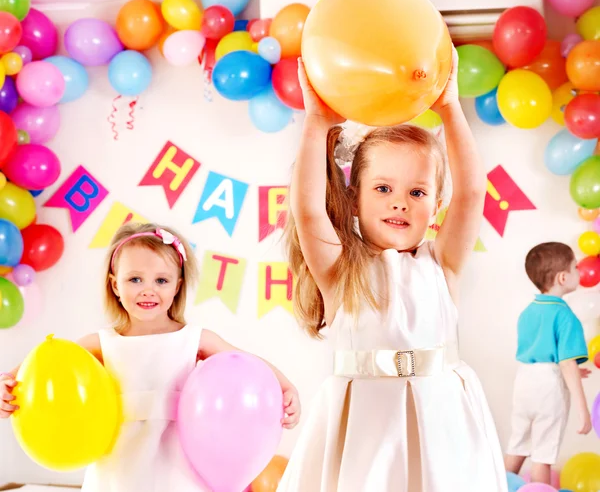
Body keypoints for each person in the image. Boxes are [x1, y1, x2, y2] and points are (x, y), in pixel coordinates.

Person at [277, 49, 507, 492]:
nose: (400, 202)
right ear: (355, 196)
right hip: (367, 429)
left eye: (417, 191)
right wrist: (316, 122)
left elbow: (473, 190)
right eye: (383, 188)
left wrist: (449, 107)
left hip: (442, 423)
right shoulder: (341, 269)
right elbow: (307, 211)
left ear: (436, 204)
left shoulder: (443, 265)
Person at [1, 222, 300, 492]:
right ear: (115, 284)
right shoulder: (104, 342)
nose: (148, 290)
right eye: (134, 280)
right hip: (119, 466)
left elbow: (249, 364)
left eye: (161, 280)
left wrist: (286, 388)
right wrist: (8, 384)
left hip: (178, 466)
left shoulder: (194, 338)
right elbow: (42, 364)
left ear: (177, 286)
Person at [504, 242, 591, 484]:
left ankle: (499, 486)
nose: (579, 272)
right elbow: (565, 364)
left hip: (524, 382)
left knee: (518, 444)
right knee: (543, 453)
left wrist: (569, 368)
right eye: (576, 267)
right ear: (563, 277)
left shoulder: (528, 311)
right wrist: (584, 411)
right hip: (549, 388)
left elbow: (542, 352)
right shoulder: (565, 316)